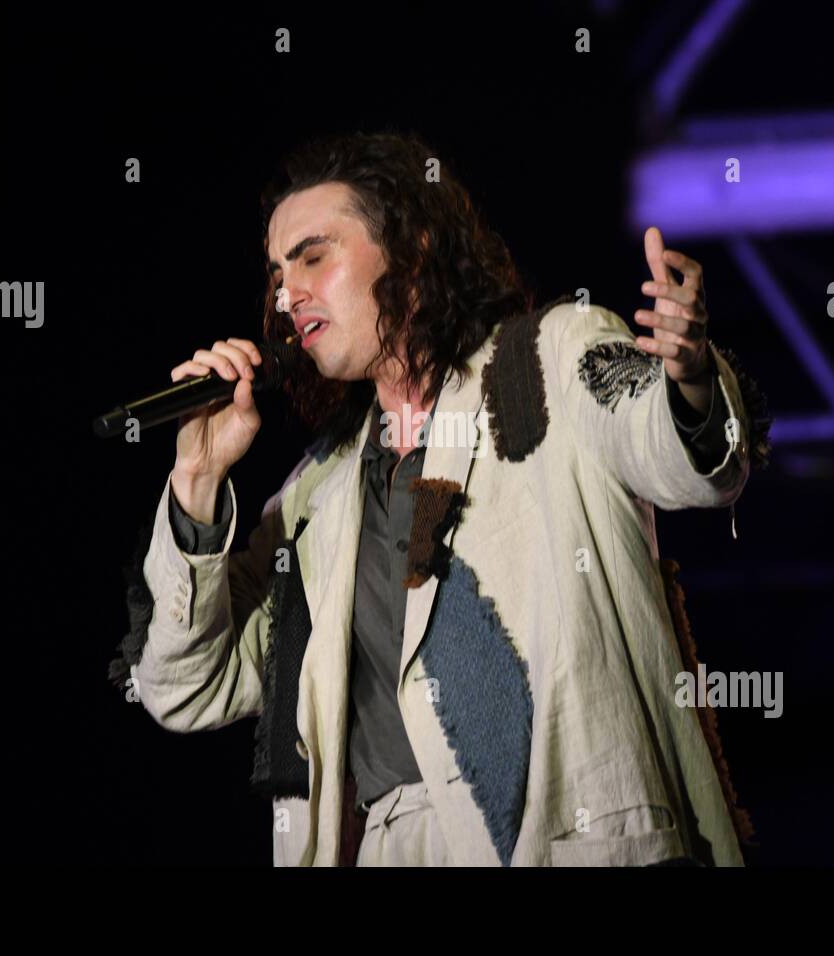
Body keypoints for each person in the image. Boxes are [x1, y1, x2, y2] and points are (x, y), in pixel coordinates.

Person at [110, 130, 769, 866]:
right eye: (275, 273)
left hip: (568, 837)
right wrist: (197, 480)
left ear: (414, 246)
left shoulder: (545, 360)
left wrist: (690, 380)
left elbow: (687, 460)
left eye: (313, 257)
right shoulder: (318, 493)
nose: (287, 294)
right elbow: (183, 686)